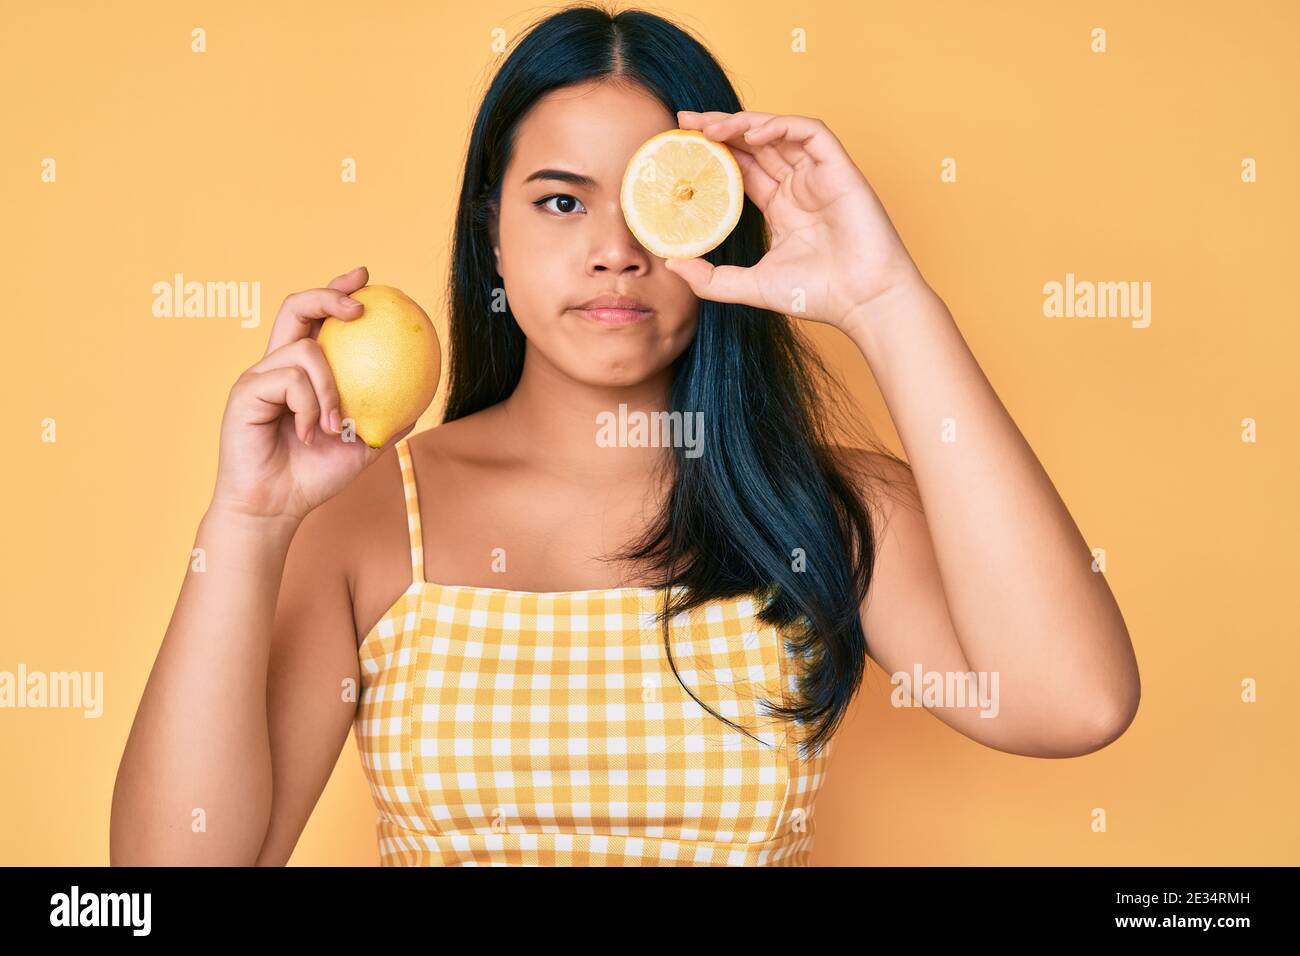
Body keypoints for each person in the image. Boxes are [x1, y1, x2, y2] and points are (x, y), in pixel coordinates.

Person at [110, 4, 1139, 867]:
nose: (613, 252)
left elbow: (1073, 703)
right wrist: (246, 521)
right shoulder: (368, 511)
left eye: (663, 200)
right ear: (493, 239)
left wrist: (883, 298)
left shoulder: (826, 510)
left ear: (722, 226)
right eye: (561, 200)